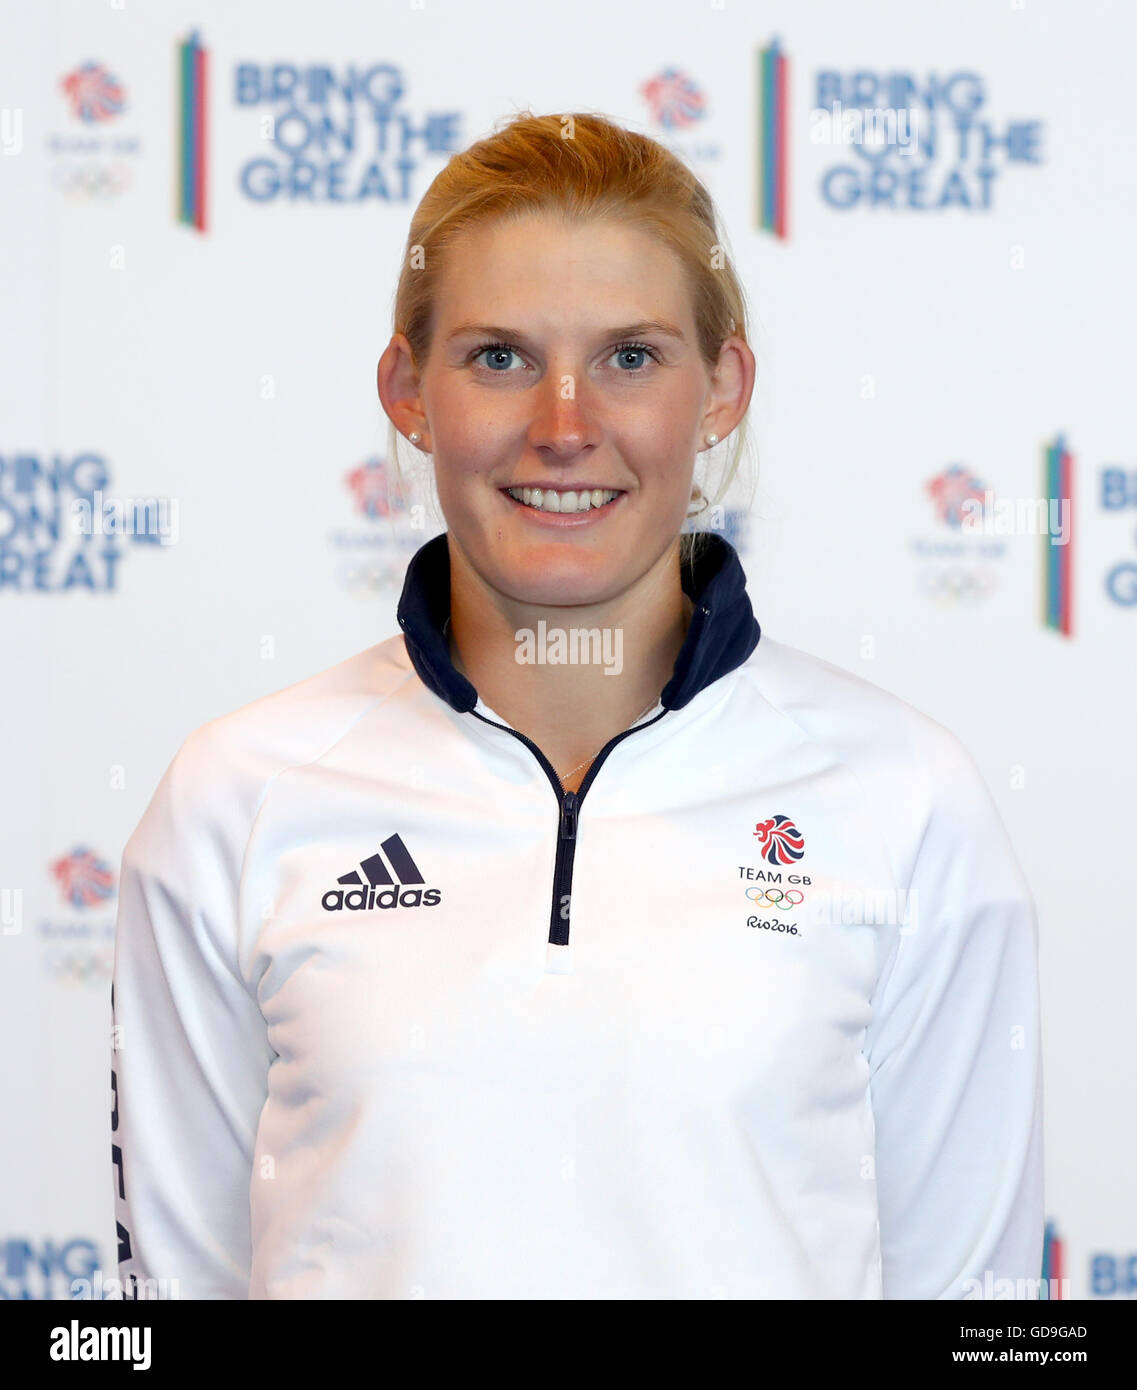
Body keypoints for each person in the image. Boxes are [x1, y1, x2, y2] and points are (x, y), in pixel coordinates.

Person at [110, 111, 1043, 1300]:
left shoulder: (904, 798)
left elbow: (977, 1306)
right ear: (408, 390)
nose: (563, 427)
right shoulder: (238, 796)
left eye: (630, 357)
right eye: (498, 356)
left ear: (722, 388)